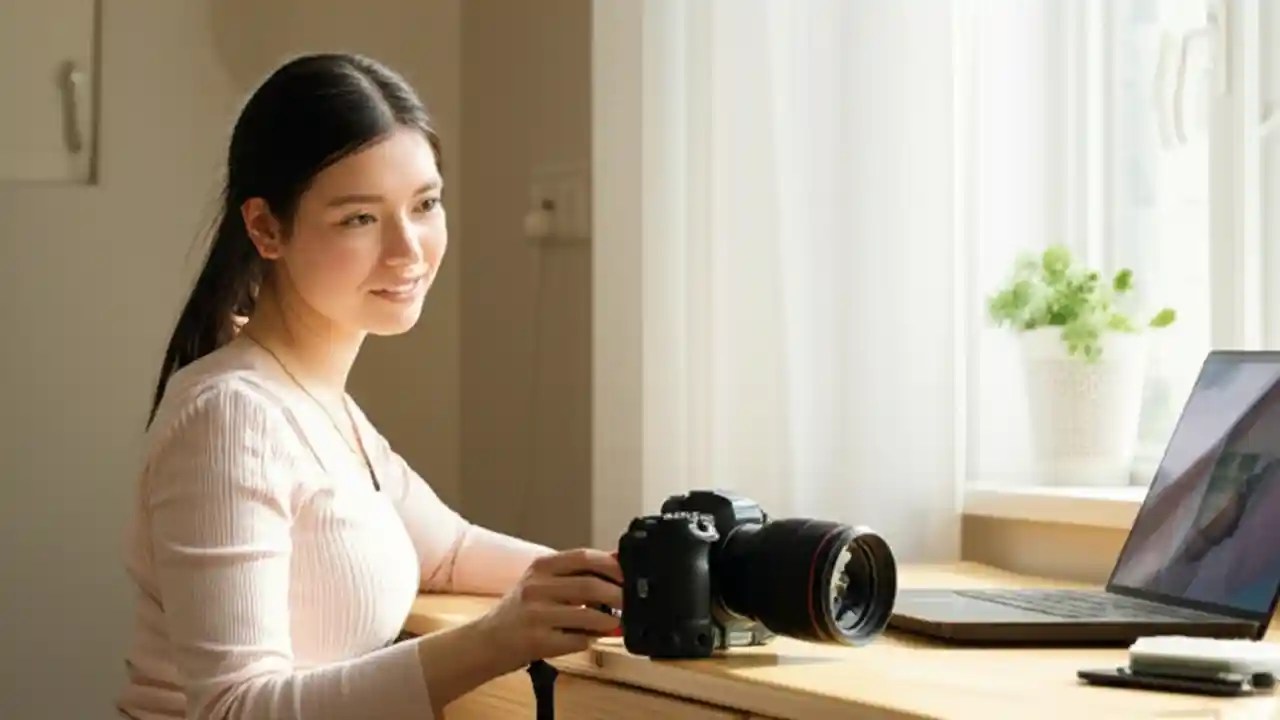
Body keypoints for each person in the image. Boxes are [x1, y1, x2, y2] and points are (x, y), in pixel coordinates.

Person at [116, 53, 622, 720]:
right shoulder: (230, 419)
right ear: (266, 228)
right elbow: (233, 709)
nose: (408, 249)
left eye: (425, 204)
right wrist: (497, 639)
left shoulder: (315, 403)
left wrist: (627, 581)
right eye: (360, 218)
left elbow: (448, 553)